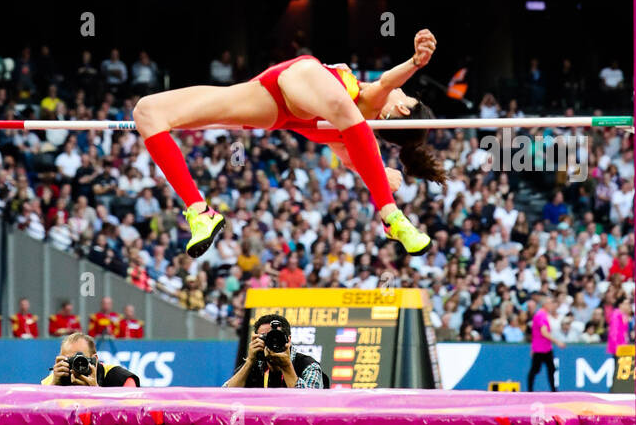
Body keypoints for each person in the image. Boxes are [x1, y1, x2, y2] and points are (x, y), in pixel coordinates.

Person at [133, 30, 440, 257]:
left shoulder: (368, 103)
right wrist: (380, 173)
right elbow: (357, 161)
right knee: (147, 112)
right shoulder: (350, 138)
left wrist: (415, 62)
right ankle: (200, 212)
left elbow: (387, 81)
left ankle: (391, 216)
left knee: (340, 106)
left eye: (406, 94)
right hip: (266, 99)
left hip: (294, 82)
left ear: (401, 108)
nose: (402, 92)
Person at [223, 314, 327, 389]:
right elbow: (224, 398)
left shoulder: (308, 366)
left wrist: (286, 366)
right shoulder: (253, 366)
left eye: (275, 337)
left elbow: (310, 404)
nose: (271, 342)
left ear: (288, 340)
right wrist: (249, 361)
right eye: (265, 337)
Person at [40, 332, 140, 388]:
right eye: (69, 360)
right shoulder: (52, 381)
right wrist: (54, 386)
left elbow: (131, 416)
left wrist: (95, 392)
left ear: (95, 359)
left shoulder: (121, 380)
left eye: (81, 359)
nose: (76, 364)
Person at [527, 297, 564, 390]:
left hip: (544, 347)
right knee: (537, 369)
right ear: (545, 305)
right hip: (541, 348)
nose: (552, 305)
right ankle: (530, 390)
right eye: (550, 303)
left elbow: (535, 332)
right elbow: (544, 332)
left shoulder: (542, 314)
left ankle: (553, 389)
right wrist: (557, 342)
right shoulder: (542, 315)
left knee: (549, 369)